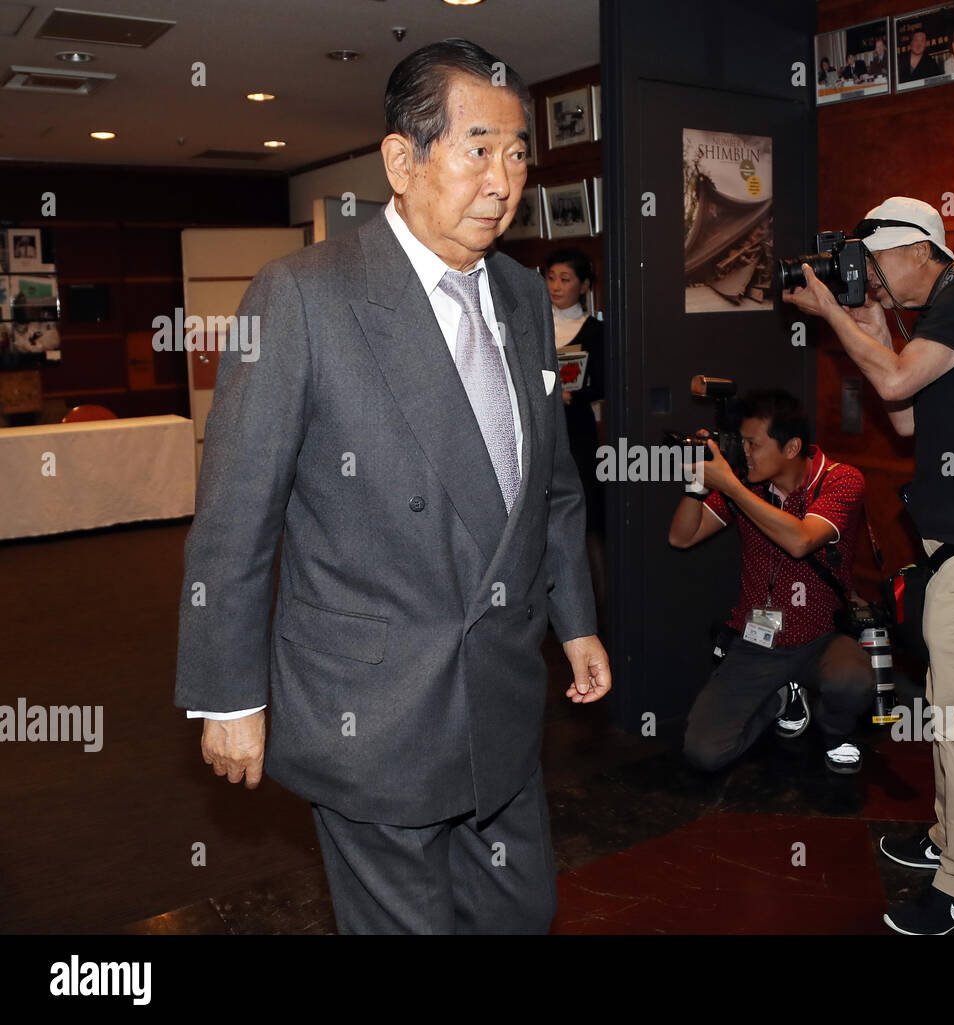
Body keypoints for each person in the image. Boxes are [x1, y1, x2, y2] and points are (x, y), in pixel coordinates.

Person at [174, 38, 611, 935]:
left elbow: (552, 489)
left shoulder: (525, 299)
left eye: (519, 151)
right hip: (370, 712)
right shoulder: (304, 296)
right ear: (401, 161)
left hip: (498, 700)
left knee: (521, 912)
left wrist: (577, 623)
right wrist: (229, 694)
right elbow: (235, 515)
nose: (504, 177)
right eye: (477, 147)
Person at [782, 197, 954, 934]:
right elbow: (904, 416)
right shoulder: (944, 314)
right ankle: (950, 838)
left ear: (919, 250)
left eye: (873, 265)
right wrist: (870, 324)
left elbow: (899, 385)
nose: (867, 278)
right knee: (950, 704)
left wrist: (833, 316)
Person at [669, 391, 876, 776]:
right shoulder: (748, 486)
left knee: (853, 680)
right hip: (757, 643)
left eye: (754, 444)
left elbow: (800, 540)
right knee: (704, 752)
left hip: (822, 637)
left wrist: (731, 486)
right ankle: (781, 697)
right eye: (742, 441)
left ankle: (834, 732)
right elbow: (682, 537)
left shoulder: (840, 479)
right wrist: (697, 485)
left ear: (792, 446)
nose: (745, 452)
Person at [546, 248, 607, 613]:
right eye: (551, 277)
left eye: (565, 279)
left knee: (585, 520)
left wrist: (574, 394)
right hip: (541, 427)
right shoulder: (534, 322)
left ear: (583, 285)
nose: (556, 286)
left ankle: (596, 612)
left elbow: (604, 382)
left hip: (576, 428)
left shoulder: (595, 330)